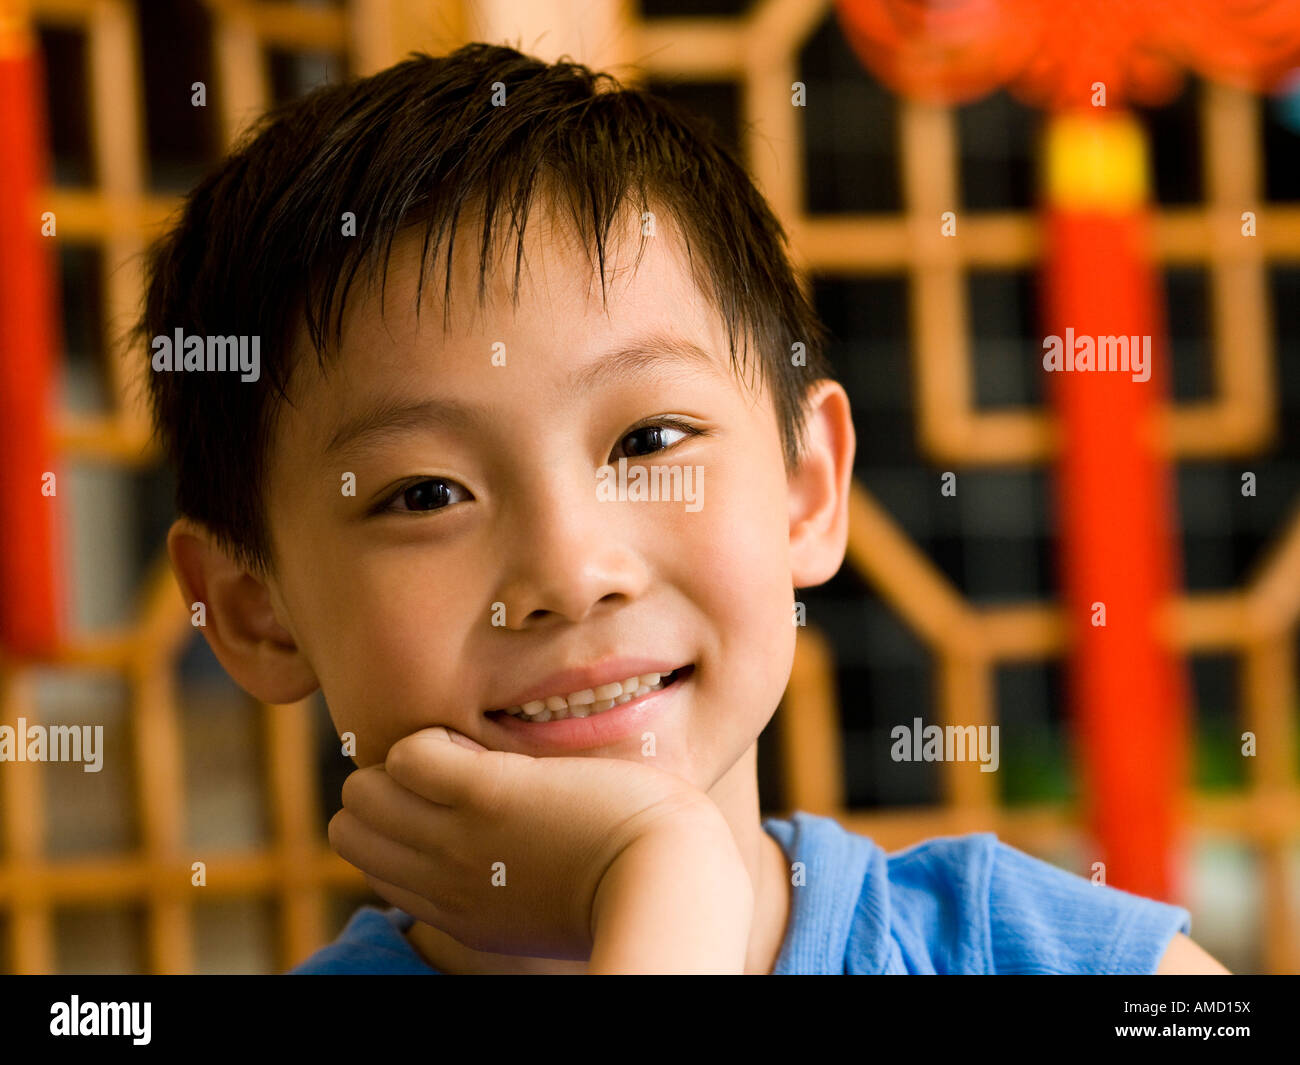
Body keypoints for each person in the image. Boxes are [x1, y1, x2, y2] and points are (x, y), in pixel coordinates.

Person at [133, 43, 1229, 975]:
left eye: (648, 441)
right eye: (426, 494)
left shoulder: (1060, 960)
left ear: (805, 488)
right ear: (253, 610)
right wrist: (665, 880)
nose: (572, 571)